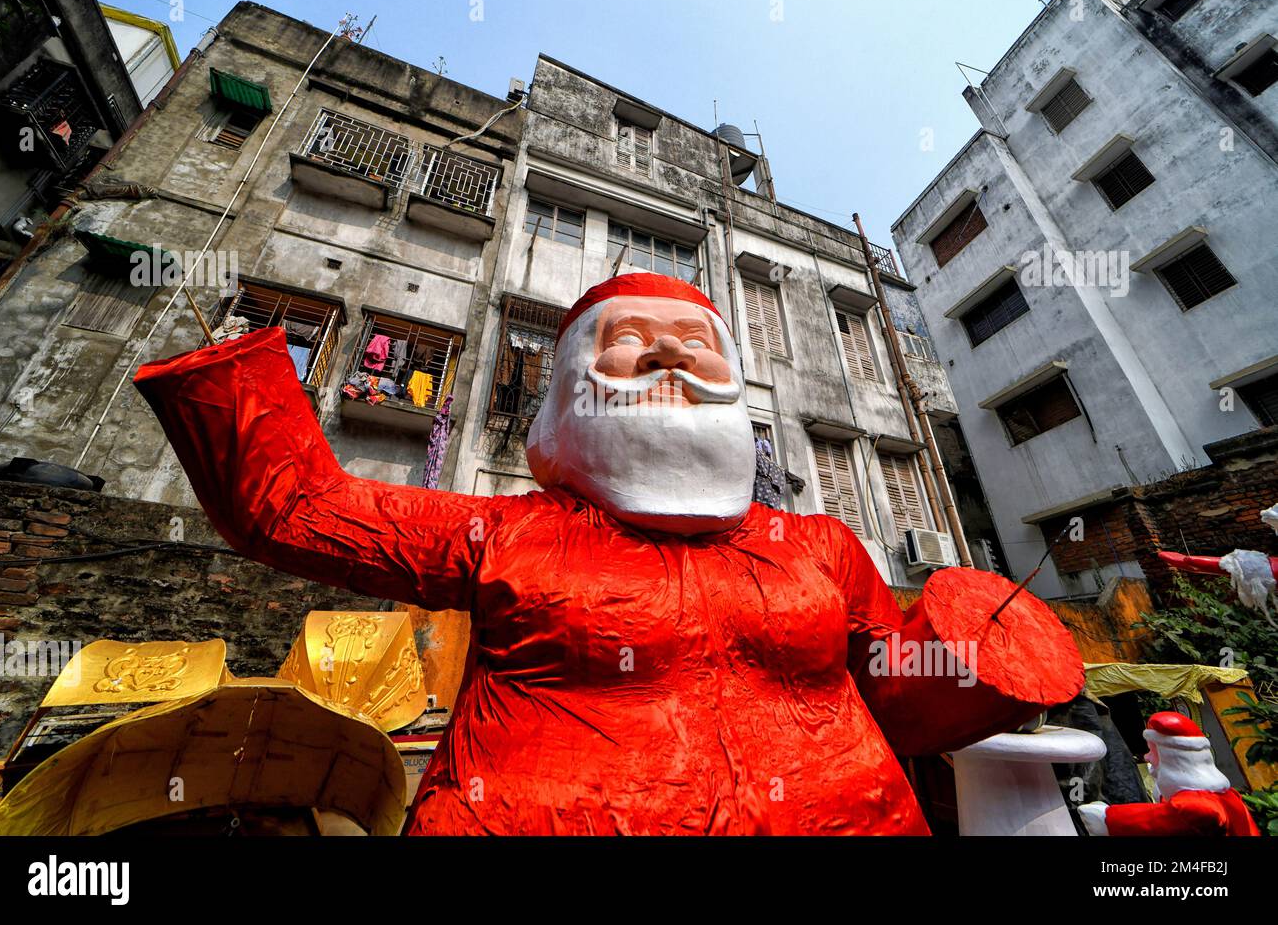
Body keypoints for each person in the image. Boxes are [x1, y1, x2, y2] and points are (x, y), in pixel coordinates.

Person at [134, 272, 1084, 835]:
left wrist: (981, 661)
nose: (671, 360)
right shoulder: (512, 531)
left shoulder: (823, 546)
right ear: (570, 393)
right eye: (632, 343)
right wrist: (230, 372)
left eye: (697, 347)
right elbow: (298, 510)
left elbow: (898, 701)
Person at [1078, 711, 1260, 836]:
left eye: (1152, 751)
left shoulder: (1198, 804)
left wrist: (1107, 817)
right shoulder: (1220, 794)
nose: (1147, 757)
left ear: (1171, 758)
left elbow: (1166, 817)